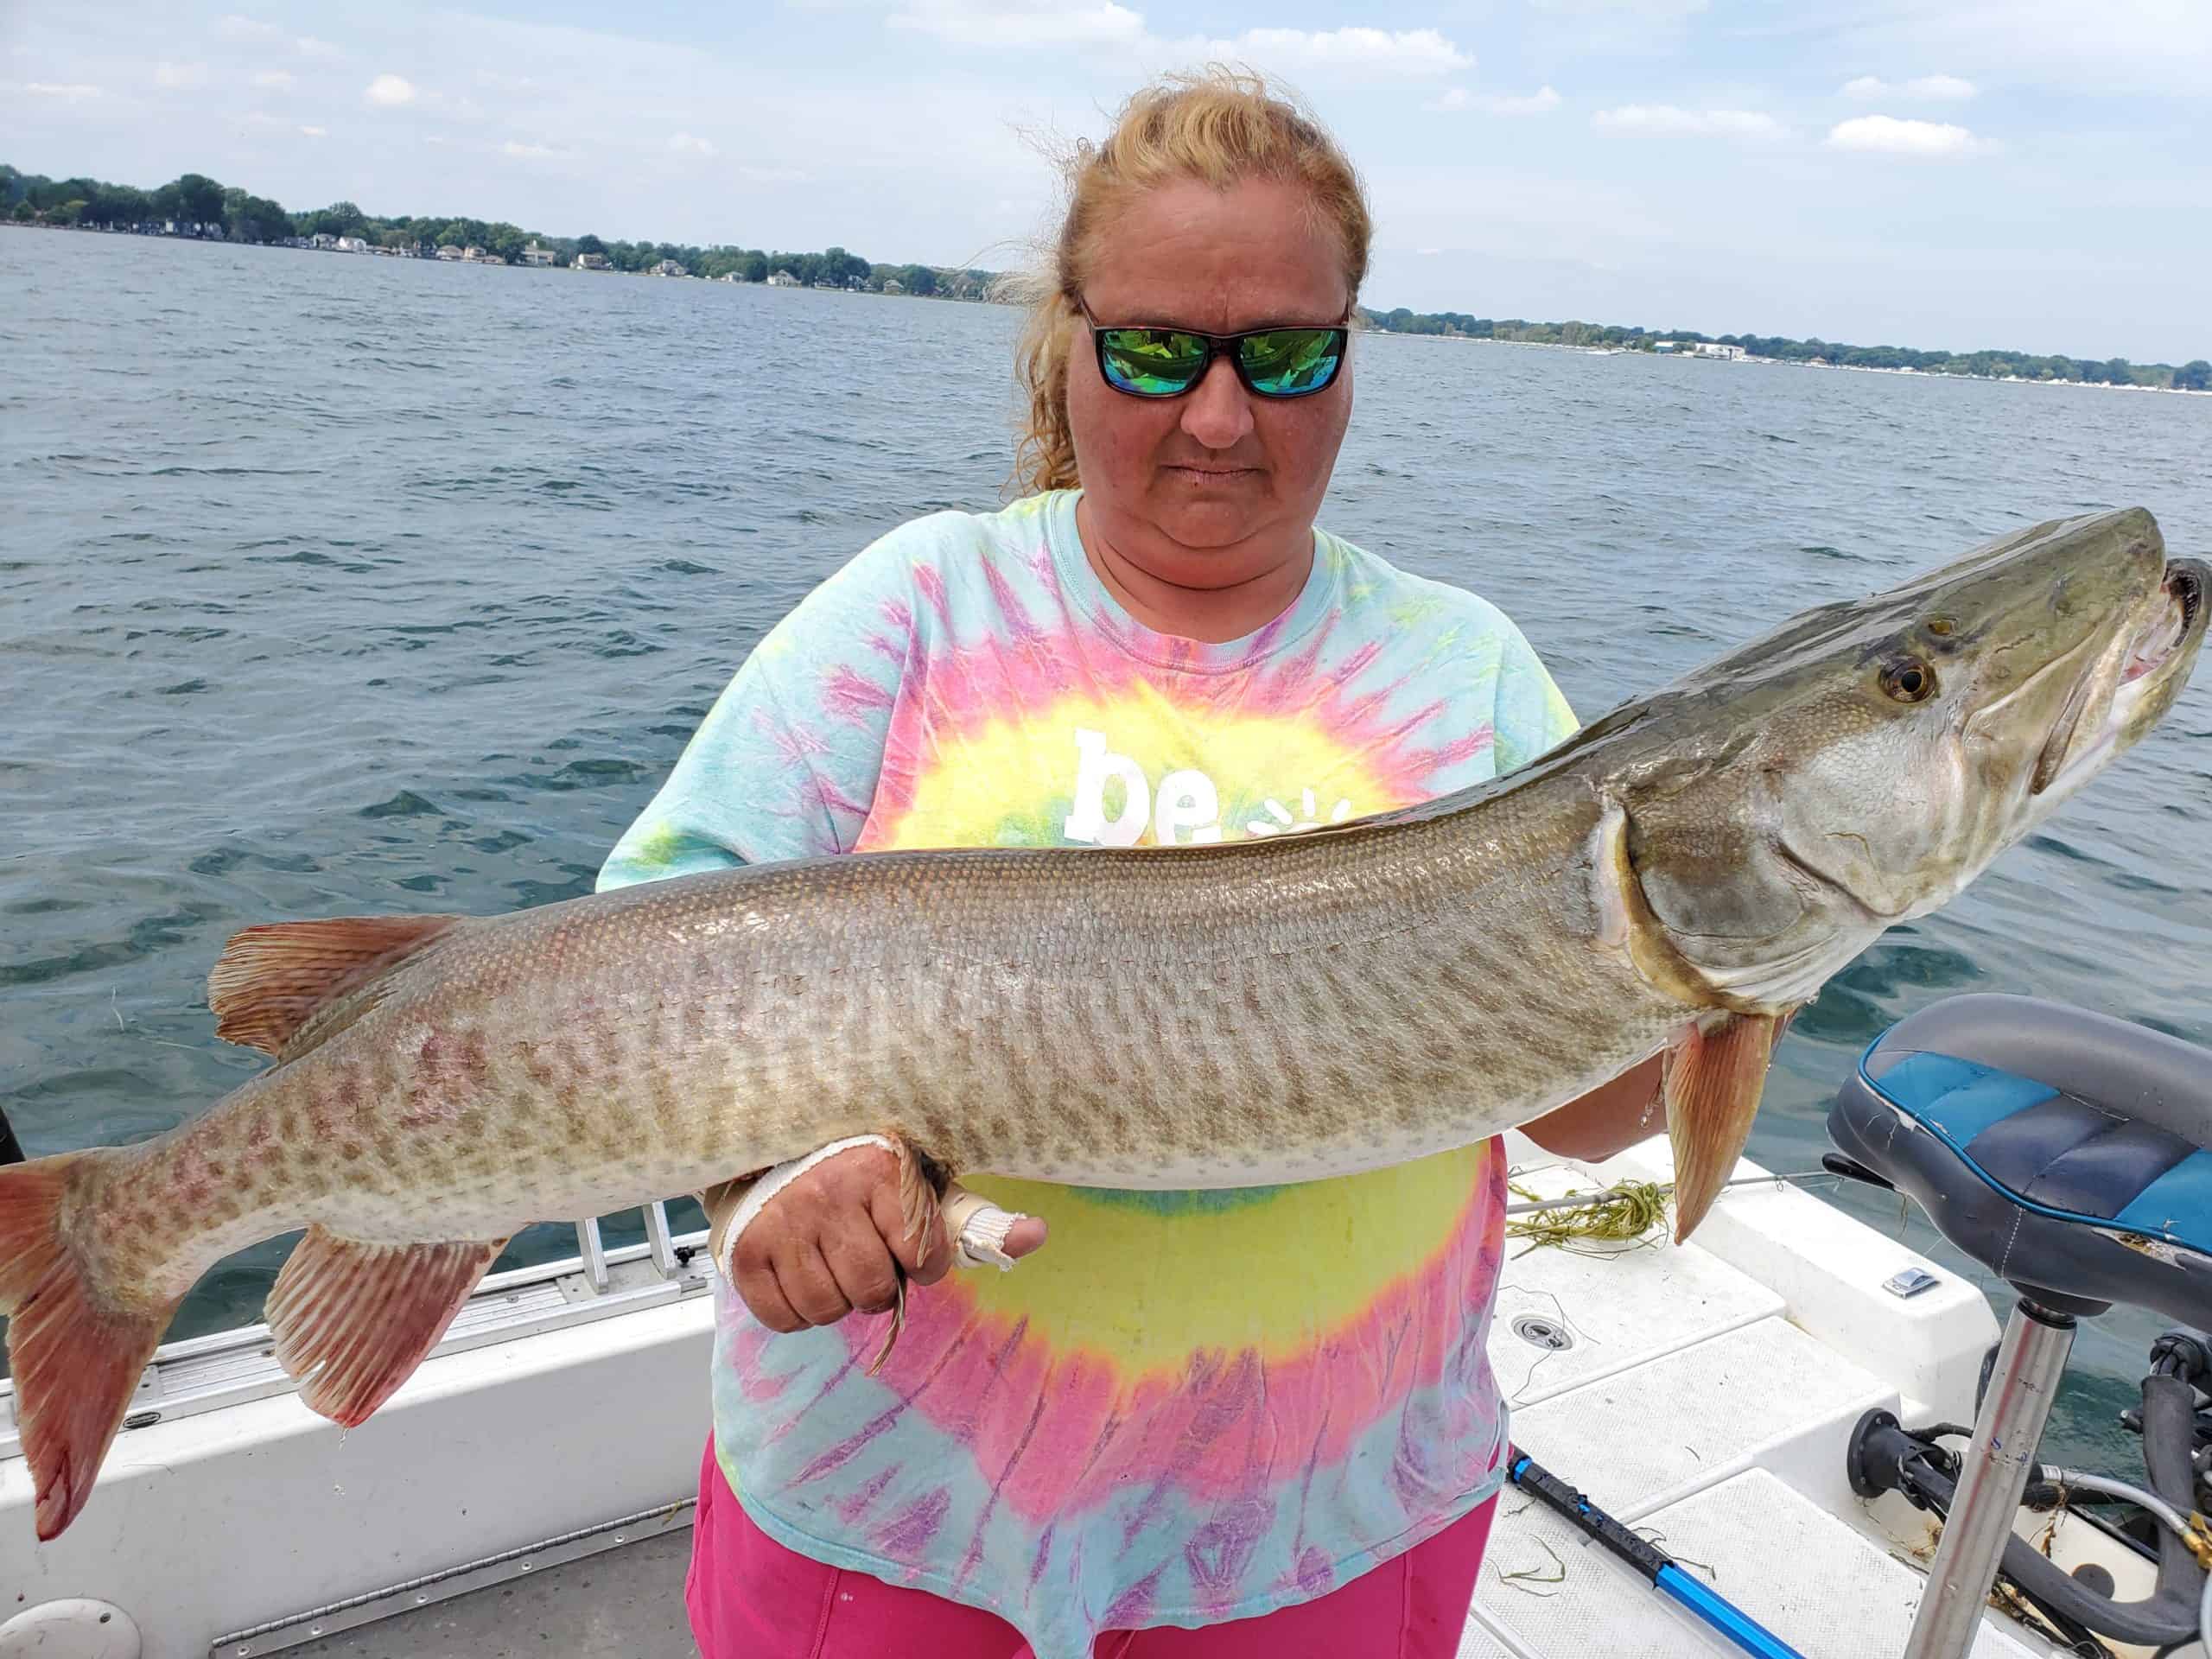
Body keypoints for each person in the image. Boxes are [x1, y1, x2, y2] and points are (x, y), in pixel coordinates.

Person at [599, 67, 1664, 1659]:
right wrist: (770, 1181)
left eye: (1288, 354)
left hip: (1327, 1533)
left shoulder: (1468, 668)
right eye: (1158, 349)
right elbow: (650, 971)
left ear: (1352, 355)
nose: (1222, 416)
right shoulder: (913, 609)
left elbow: (1596, 1115)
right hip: (895, 1515)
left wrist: (1735, 963)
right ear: (1069, 341)